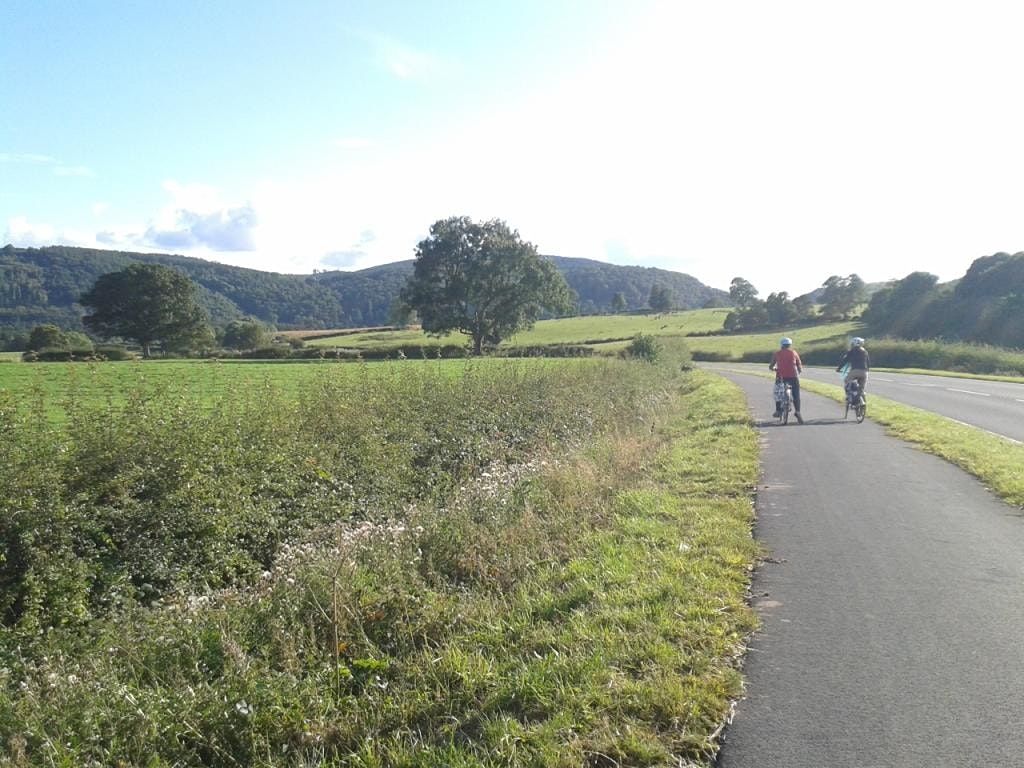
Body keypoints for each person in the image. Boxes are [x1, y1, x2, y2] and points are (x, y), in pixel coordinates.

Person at [769, 336, 803, 424]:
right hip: (793, 376)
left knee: (778, 392)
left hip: (781, 376)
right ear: (790, 345)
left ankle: (778, 410)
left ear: (781, 345)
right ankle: (798, 412)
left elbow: (771, 366)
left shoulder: (777, 354)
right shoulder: (794, 353)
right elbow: (799, 365)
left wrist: (774, 369)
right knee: (796, 394)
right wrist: (799, 371)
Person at [836, 337, 870, 401]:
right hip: (864, 372)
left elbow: (845, 360)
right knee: (861, 388)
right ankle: (862, 399)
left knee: (847, 380)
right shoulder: (865, 351)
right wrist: (867, 370)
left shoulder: (852, 351)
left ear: (854, 343)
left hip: (855, 371)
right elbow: (868, 362)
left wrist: (839, 369)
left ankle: (849, 396)